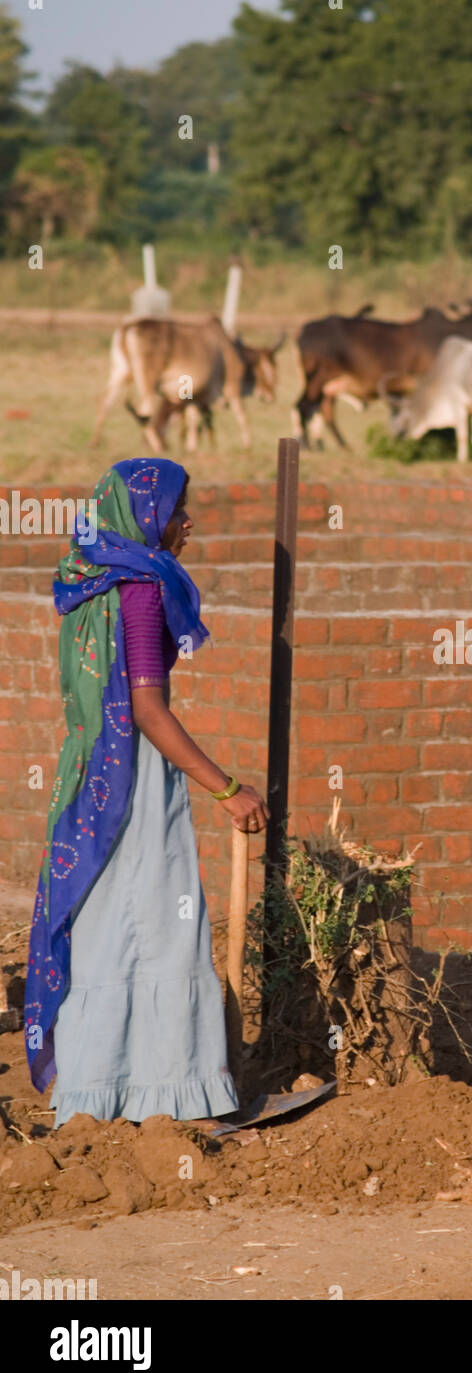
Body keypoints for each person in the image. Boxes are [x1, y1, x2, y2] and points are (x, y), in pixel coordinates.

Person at [25, 458, 270, 1126]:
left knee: (108, 929)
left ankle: (101, 1092)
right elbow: (146, 708)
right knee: (160, 928)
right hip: (132, 780)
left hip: (88, 775)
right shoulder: (140, 588)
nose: (187, 523)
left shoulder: (89, 578)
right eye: (177, 511)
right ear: (146, 517)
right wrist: (227, 790)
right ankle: (166, 1096)